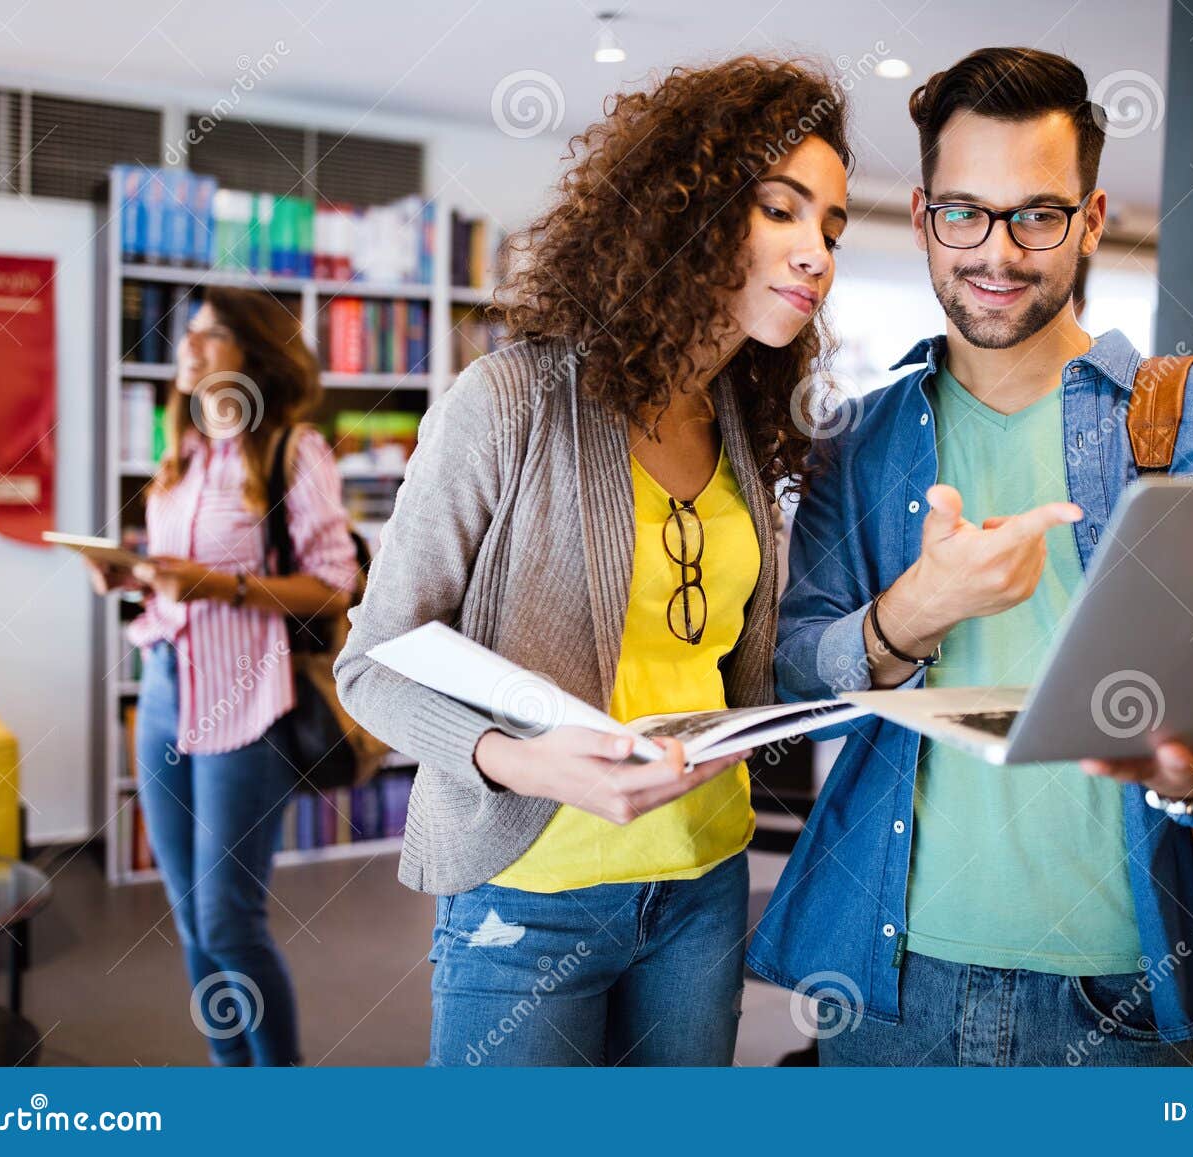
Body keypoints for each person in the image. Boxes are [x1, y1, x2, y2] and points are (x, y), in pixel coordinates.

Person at [746, 46, 1193, 1066]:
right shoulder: (855, 439)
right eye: (963, 212)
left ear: (1090, 221)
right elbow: (788, 666)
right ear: (922, 219)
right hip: (887, 980)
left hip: (1124, 985)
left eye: (1036, 215)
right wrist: (905, 616)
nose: (995, 252)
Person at [334, 56, 852, 1066]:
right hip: (530, 893)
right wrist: (518, 758)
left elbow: (728, 662)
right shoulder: (509, 402)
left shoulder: (744, 425)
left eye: (830, 225)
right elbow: (371, 659)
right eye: (781, 210)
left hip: (702, 881)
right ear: (688, 212)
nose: (814, 253)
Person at [85, 287, 359, 1066]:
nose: (190, 345)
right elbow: (174, 572)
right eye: (190, 332)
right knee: (192, 922)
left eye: (212, 334)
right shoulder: (185, 452)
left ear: (254, 354)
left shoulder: (291, 451)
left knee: (230, 920)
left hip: (250, 697)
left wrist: (215, 586)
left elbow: (338, 582)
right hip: (167, 689)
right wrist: (133, 576)